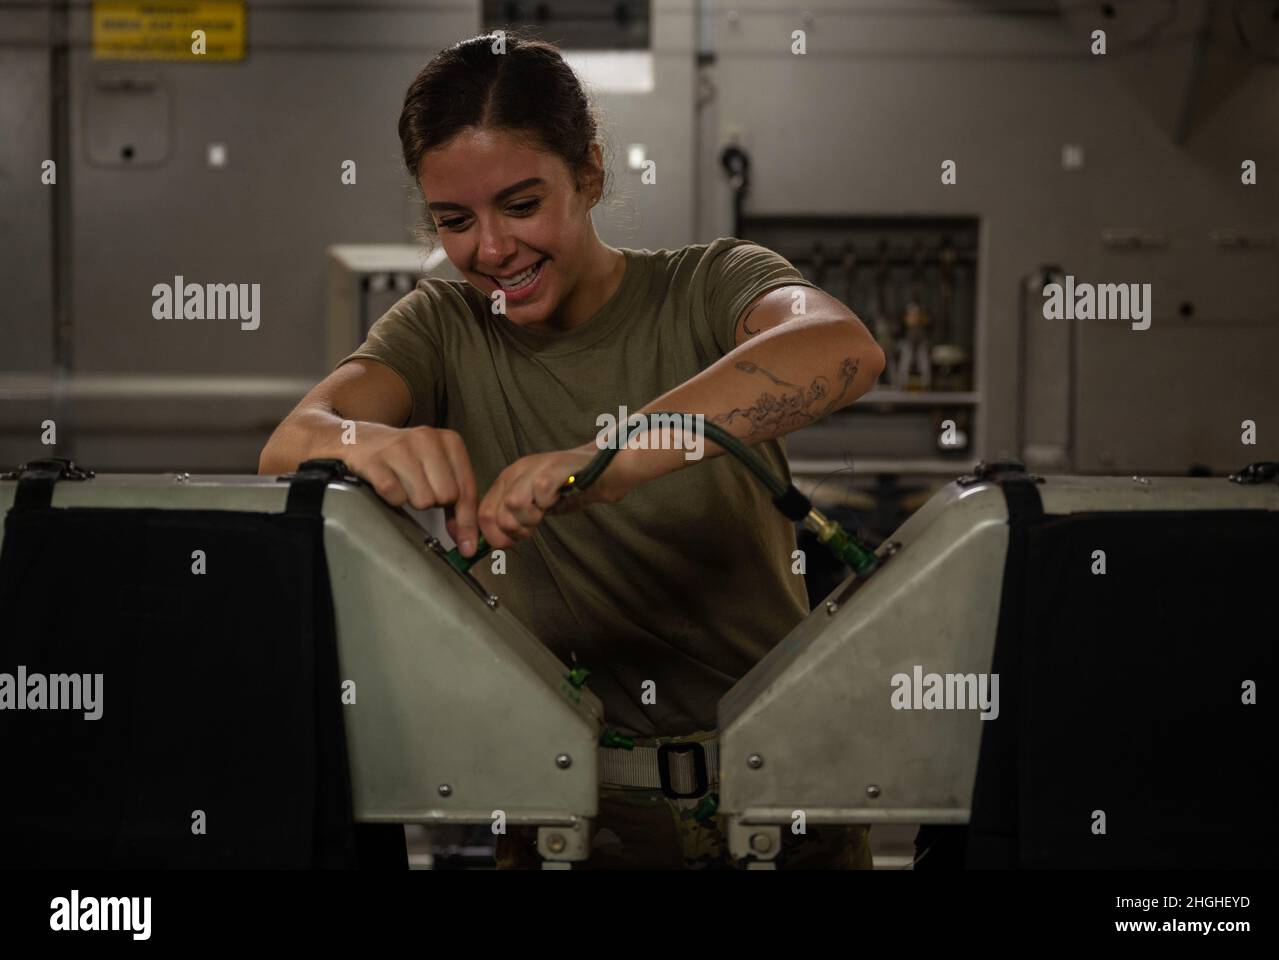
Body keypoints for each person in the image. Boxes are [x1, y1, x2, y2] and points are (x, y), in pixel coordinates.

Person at [259, 31, 886, 869]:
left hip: (777, 802)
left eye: (522, 205)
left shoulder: (710, 286)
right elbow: (290, 443)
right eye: (454, 220)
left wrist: (612, 458)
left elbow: (840, 348)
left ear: (588, 174)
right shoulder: (441, 328)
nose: (491, 250)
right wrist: (364, 443)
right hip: (564, 817)